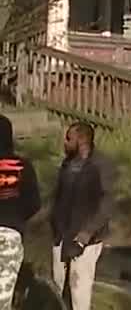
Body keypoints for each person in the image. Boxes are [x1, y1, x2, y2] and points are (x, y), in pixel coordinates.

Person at [50, 122, 113, 310]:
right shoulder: (68, 164)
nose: (64, 142)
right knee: (58, 287)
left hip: (86, 238)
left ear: (82, 140)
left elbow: (107, 203)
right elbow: (59, 197)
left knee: (79, 291)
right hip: (62, 235)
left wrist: (86, 233)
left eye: (69, 138)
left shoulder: (100, 165)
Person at [0, 115, 40, 310]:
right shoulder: (24, 166)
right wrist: (15, 218)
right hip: (10, 235)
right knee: (3, 298)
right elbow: (34, 203)